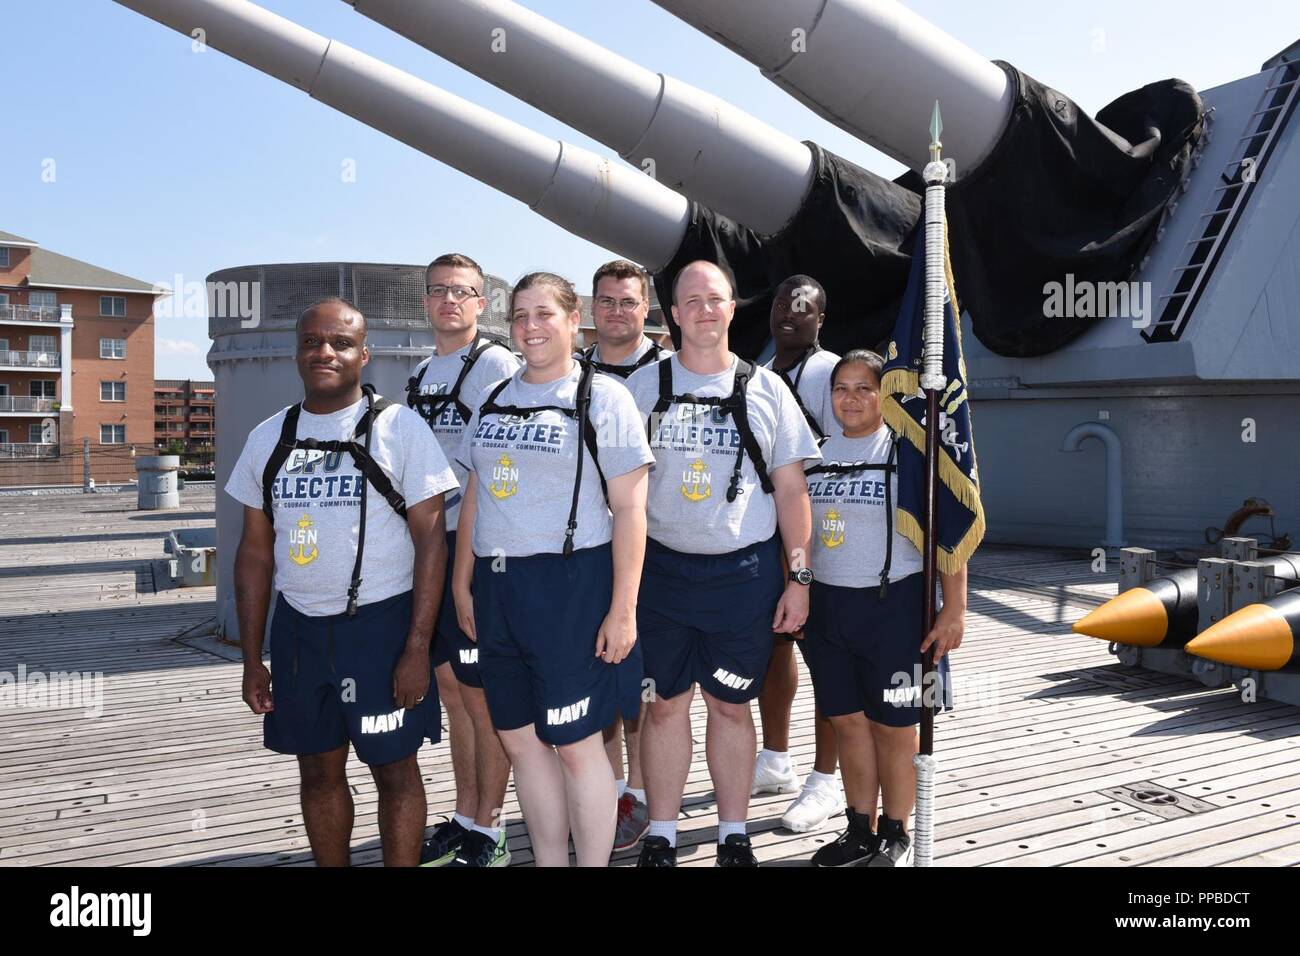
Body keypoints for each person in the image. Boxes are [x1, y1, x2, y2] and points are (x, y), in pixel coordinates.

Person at [228, 298, 458, 866]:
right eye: (311, 342)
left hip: (380, 629)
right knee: (318, 769)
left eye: (340, 343)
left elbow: (433, 542)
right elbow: (255, 555)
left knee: (395, 769)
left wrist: (417, 647)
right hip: (300, 632)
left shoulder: (399, 429)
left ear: (364, 354)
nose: (324, 352)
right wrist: (253, 658)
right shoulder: (267, 439)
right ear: (296, 351)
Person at [453, 272, 654, 867]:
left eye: (544, 314)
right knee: (520, 740)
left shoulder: (601, 397)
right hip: (498, 587)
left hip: (571, 587)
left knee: (573, 743)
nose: (530, 326)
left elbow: (630, 510)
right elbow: (474, 496)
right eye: (519, 315)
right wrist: (463, 581)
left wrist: (623, 609)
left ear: (574, 322)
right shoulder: (493, 398)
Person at [624, 260, 821, 867]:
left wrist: (800, 580)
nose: (705, 310)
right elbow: (619, 493)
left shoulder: (766, 390)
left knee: (731, 705)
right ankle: (661, 832)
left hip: (742, 576)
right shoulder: (640, 389)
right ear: (675, 314)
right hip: (660, 575)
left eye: (717, 299)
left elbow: (792, 493)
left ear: (733, 309)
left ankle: (732, 833)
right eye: (692, 300)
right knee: (663, 705)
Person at [800, 350, 965, 867]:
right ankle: (859, 829)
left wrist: (953, 607)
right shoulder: (813, 454)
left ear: (885, 393)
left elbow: (949, 533)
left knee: (894, 726)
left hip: (894, 607)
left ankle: (896, 831)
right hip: (827, 609)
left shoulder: (911, 453)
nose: (850, 398)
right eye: (841, 388)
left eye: (864, 388)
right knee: (848, 721)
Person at [406, 253, 521, 867]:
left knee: (482, 695)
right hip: (431, 543)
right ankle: (465, 813)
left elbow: (494, 463)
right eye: (439, 291)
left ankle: (493, 827)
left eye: (463, 291)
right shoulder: (423, 371)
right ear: (425, 302)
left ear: (482, 303)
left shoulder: (495, 364)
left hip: (473, 545)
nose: (450, 300)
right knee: (451, 688)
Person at [753, 275, 846, 834]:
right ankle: (776, 759)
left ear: (821, 318)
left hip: (821, 536)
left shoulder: (827, 372)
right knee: (775, 645)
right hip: (771, 533)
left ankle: (826, 780)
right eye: (782, 304)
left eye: (804, 307)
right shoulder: (763, 375)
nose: (790, 313)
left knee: (823, 656)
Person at [579, 258, 665, 850]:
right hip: (586, 551)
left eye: (627, 302)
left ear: (645, 309)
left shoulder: (671, 372)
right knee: (600, 676)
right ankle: (608, 795)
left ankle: (642, 795)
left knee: (649, 688)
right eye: (606, 301)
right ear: (591, 309)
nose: (616, 311)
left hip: (655, 545)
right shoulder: (570, 371)